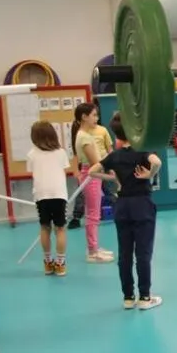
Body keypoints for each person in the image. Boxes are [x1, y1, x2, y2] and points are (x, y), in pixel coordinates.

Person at [88, 113, 162, 311]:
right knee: (143, 253)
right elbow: (157, 162)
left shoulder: (114, 156)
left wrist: (112, 178)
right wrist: (150, 175)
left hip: (122, 206)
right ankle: (145, 297)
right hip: (142, 205)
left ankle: (128, 297)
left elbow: (92, 171)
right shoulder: (142, 152)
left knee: (125, 253)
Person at [26, 120, 73, 276]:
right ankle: (60, 264)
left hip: (41, 194)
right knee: (60, 229)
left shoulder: (31, 154)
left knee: (45, 227)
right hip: (58, 194)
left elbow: (31, 173)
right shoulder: (61, 152)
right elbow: (65, 171)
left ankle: (47, 263)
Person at [71, 102, 114, 263]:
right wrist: (111, 176)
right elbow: (95, 163)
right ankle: (92, 251)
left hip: (92, 175)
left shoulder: (85, 134)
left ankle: (94, 247)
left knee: (93, 213)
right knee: (93, 215)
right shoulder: (84, 137)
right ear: (84, 117)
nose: (96, 118)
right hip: (91, 176)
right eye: (94, 115)